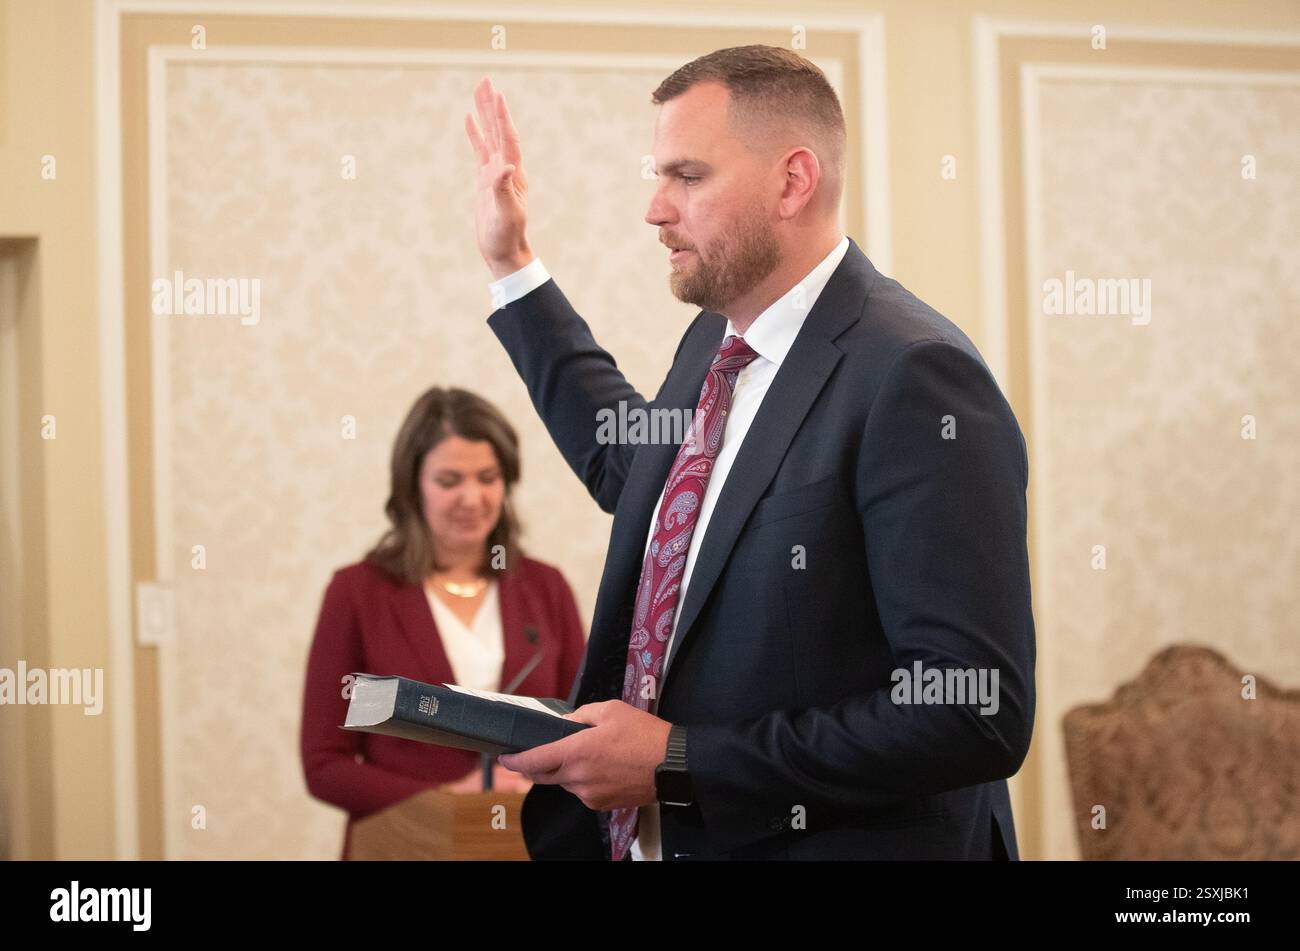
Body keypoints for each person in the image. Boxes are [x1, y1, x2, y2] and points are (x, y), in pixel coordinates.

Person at [464, 44, 1037, 862]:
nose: (655, 209)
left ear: (792, 181)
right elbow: (640, 478)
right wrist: (511, 265)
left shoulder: (916, 377)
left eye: (687, 177)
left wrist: (678, 759)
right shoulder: (715, 340)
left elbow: (972, 712)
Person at [299, 386, 588, 859]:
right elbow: (323, 764)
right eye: (450, 480)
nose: (472, 498)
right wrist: (448, 801)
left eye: (488, 477)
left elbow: (580, 732)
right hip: (404, 844)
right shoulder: (357, 592)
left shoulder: (545, 588)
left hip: (520, 841)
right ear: (413, 484)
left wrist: (529, 779)